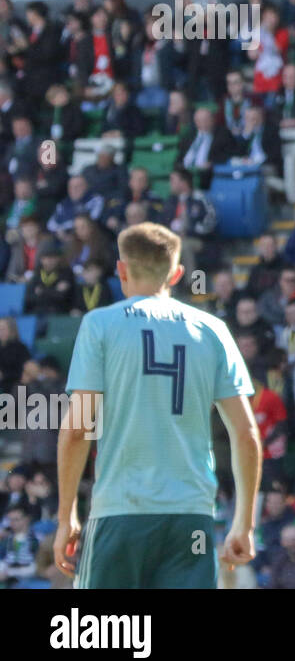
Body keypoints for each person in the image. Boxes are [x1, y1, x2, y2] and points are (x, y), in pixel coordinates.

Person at [54, 223, 262, 587]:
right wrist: (244, 523)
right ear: (177, 274)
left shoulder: (99, 324)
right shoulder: (212, 328)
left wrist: (65, 516)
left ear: (121, 270)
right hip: (191, 517)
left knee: (107, 637)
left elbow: (77, 430)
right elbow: (245, 434)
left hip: (121, 511)